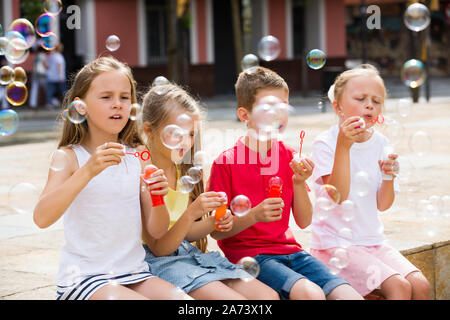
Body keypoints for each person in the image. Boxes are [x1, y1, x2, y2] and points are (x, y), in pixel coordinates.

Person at [33, 56, 183, 300]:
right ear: (81, 107)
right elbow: (41, 217)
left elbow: (156, 230)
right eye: (106, 97)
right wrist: (88, 170)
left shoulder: (139, 155)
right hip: (84, 278)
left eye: (125, 97)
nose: (118, 105)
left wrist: (158, 197)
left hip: (134, 273)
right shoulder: (70, 157)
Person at [207, 66, 363, 300]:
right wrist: (253, 216)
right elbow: (218, 233)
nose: (278, 114)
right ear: (244, 115)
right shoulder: (225, 163)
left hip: (291, 253)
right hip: (249, 258)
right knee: (311, 295)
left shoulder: (289, 156)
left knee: (349, 296)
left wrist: (299, 183)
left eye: (283, 105)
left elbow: (304, 220)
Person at [140, 82, 280, 300]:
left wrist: (213, 222)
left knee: (268, 297)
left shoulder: (181, 170)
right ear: (149, 130)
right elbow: (161, 248)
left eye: (191, 134)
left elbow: (185, 233)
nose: (186, 142)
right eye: (177, 134)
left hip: (186, 253)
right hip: (156, 262)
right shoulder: (145, 174)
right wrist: (191, 213)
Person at [309, 64, 430, 300]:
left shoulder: (382, 143)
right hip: (334, 244)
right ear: (337, 107)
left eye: (376, 100)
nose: (369, 105)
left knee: (420, 285)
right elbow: (337, 197)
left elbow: (383, 204)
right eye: (361, 98)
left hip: (373, 240)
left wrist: (388, 177)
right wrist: (344, 147)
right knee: (400, 287)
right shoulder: (326, 143)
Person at [45, 43, 66, 109]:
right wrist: (60, 76)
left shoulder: (52, 56)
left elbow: (47, 66)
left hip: (50, 76)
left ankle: (48, 104)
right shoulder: (59, 56)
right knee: (63, 91)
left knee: (50, 91)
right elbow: (59, 66)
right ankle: (67, 103)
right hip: (59, 77)